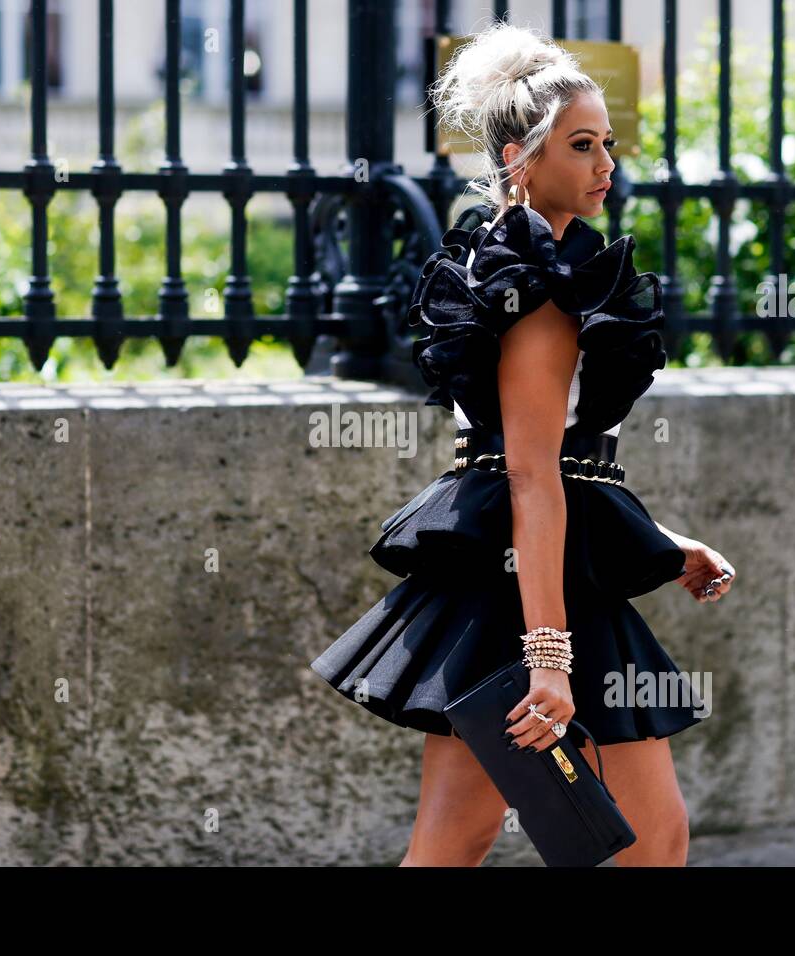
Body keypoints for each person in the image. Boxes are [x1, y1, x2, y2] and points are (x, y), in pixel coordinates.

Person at [309, 21, 736, 867]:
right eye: (582, 146)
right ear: (519, 160)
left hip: (524, 579)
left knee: (453, 843)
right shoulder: (538, 289)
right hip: (533, 598)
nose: (606, 165)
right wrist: (550, 661)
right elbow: (531, 477)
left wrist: (658, 542)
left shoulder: (526, 267)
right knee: (651, 844)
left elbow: (549, 462)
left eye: (608, 143)